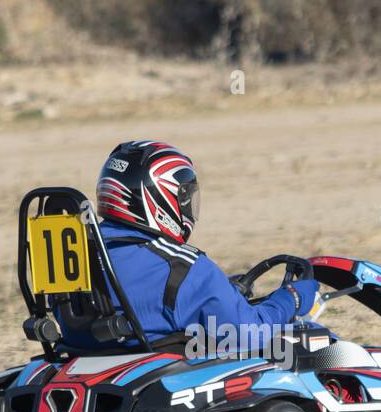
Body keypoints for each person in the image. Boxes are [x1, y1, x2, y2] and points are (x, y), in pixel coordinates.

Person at [62, 140, 320, 348]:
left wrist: (221, 291)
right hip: (161, 376)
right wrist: (291, 299)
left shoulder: (77, 251)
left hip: (86, 356)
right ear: (157, 197)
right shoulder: (181, 265)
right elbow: (252, 333)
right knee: (312, 342)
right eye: (184, 197)